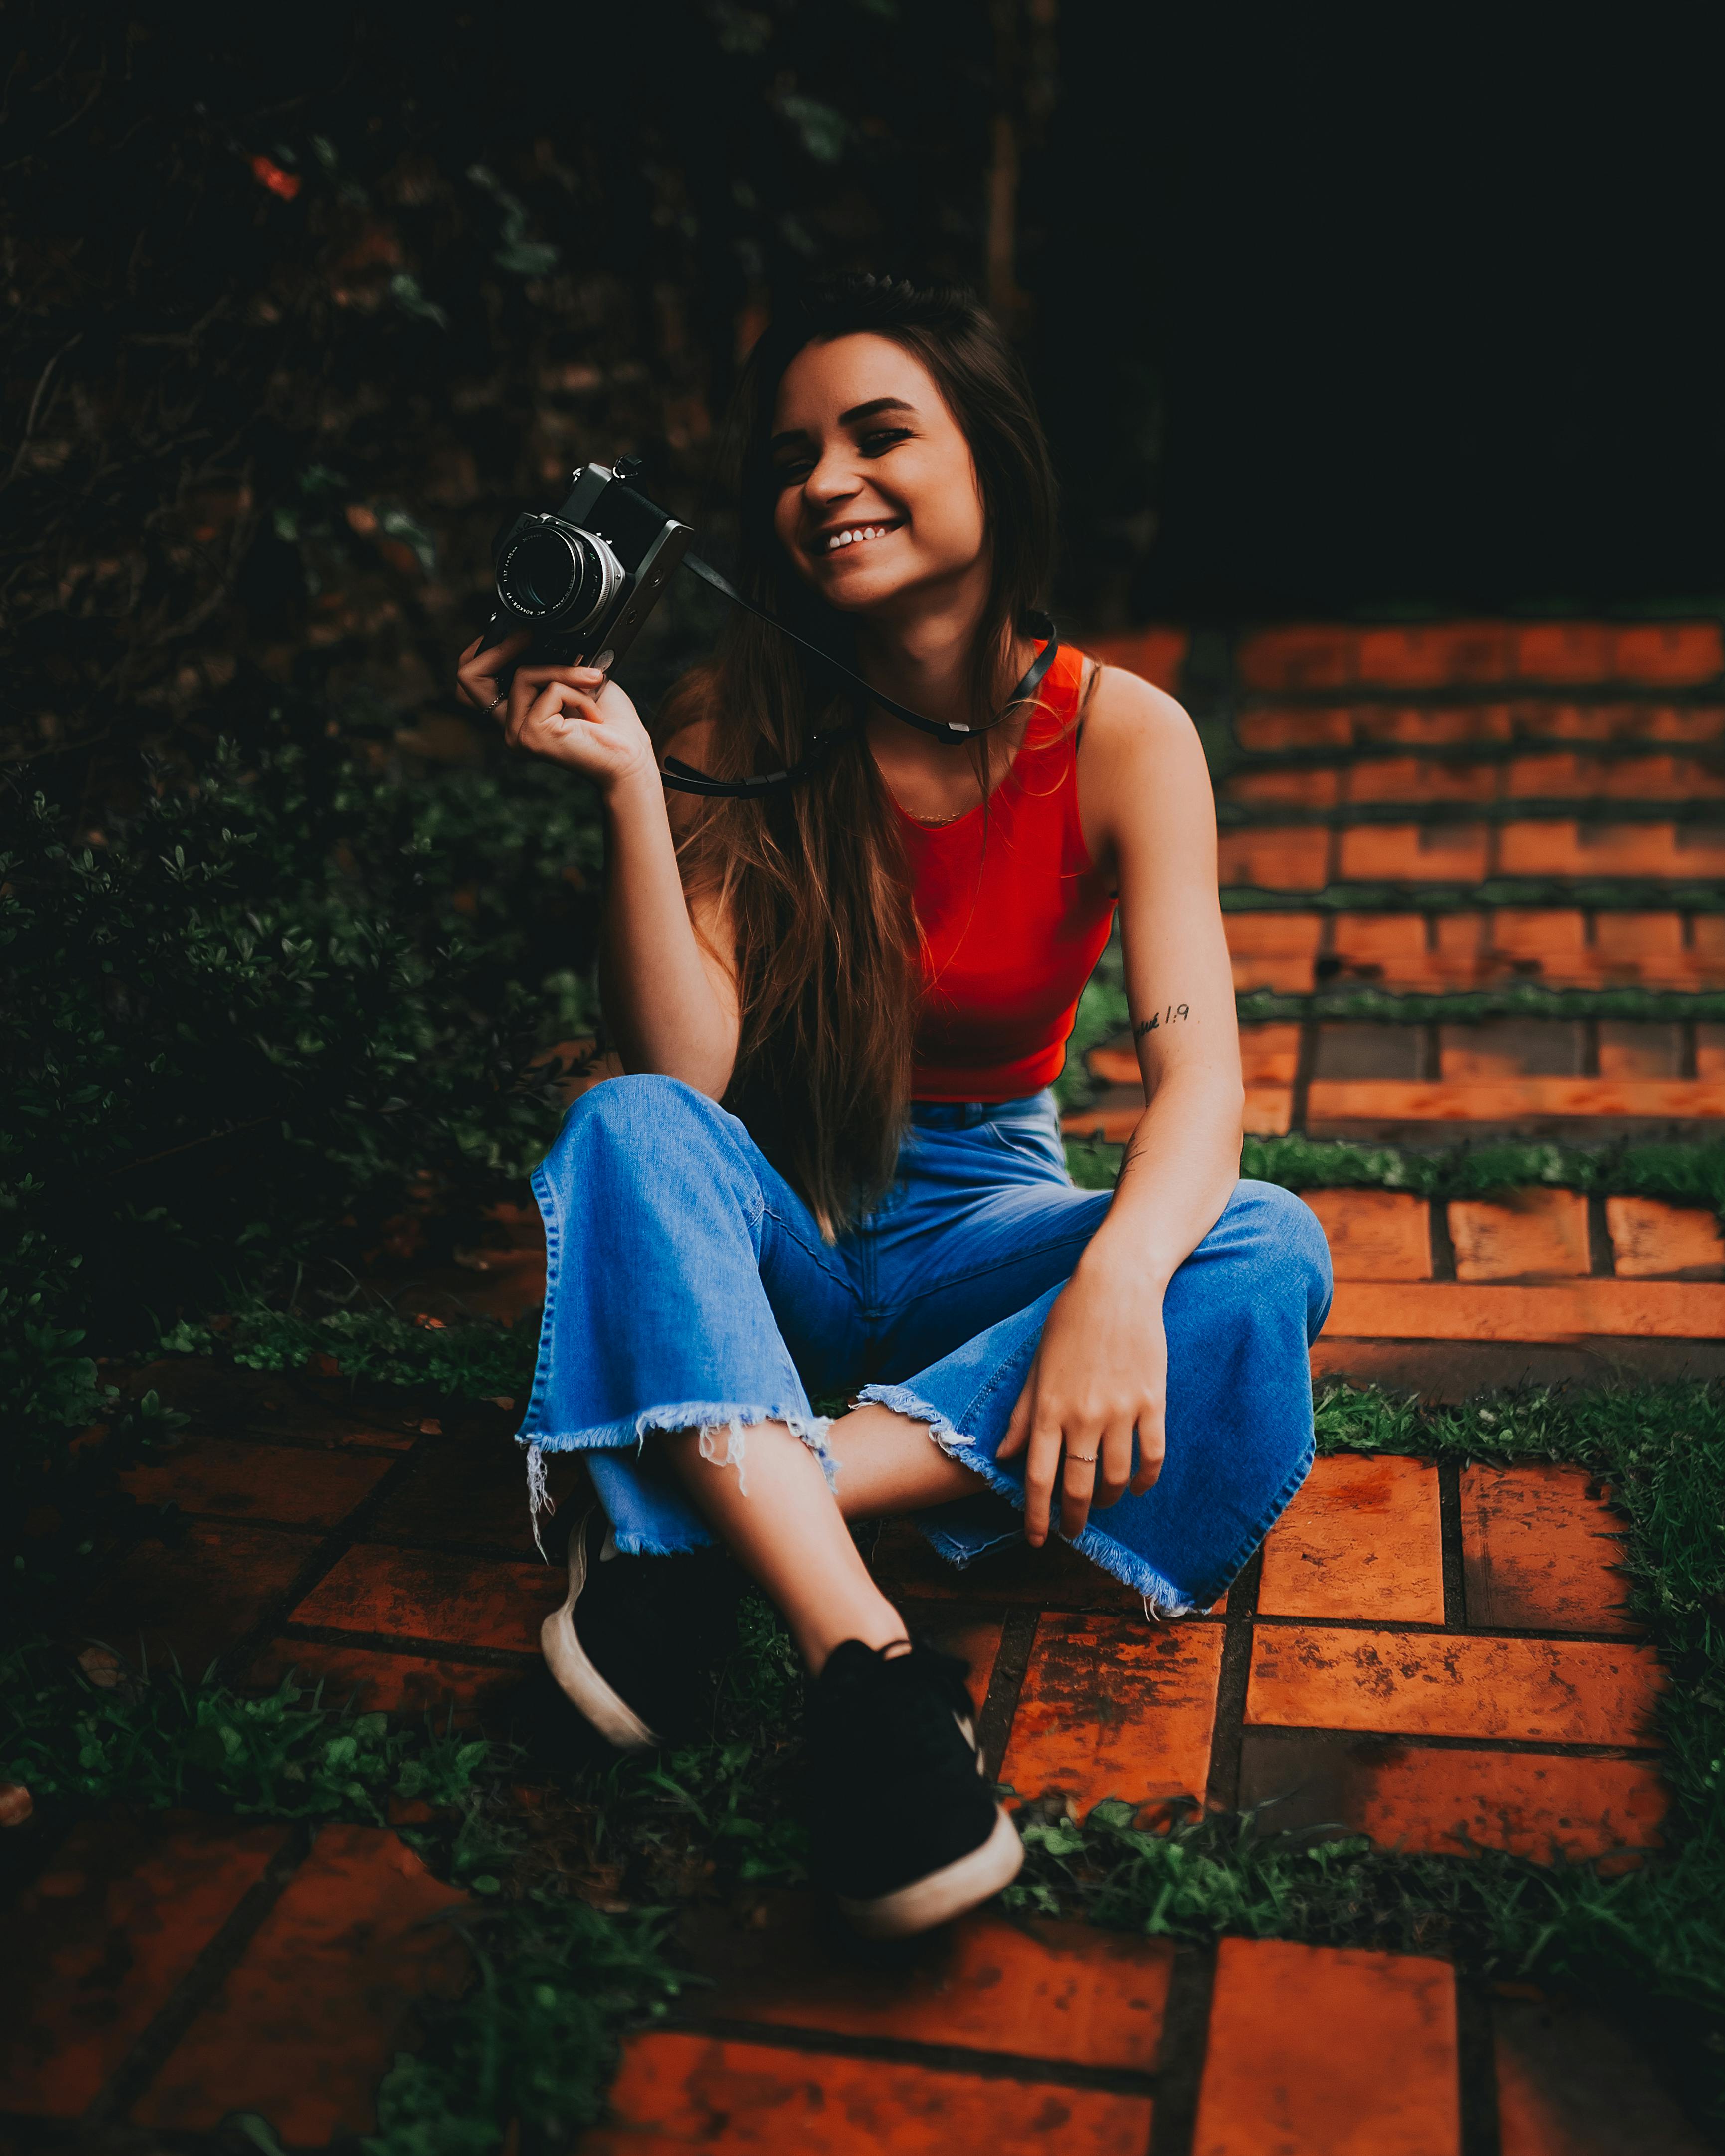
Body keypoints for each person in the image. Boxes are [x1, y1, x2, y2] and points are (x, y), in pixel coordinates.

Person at [455, 272, 1331, 1940]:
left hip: (977, 1217)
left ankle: (694, 1507)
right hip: (777, 1224)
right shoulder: (741, 722)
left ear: (993, 463)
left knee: (1264, 1244)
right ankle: (862, 1660)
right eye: (791, 458)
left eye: (879, 434)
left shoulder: (1126, 734)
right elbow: (685, 1083)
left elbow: (1200, 1076)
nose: (827, 482)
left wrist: (1115, 1286)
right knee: (623, 1127)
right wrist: (639, 786)